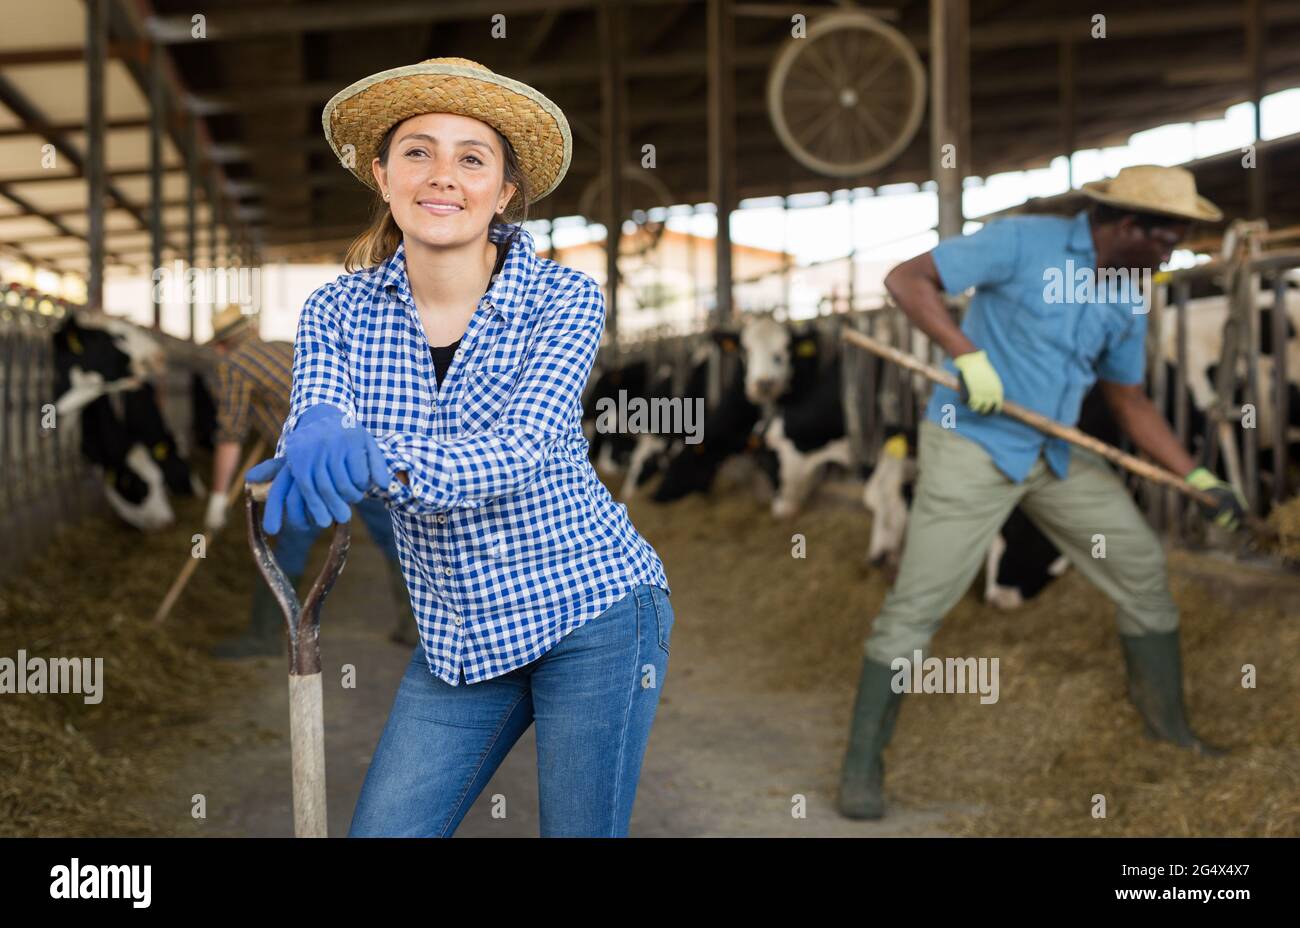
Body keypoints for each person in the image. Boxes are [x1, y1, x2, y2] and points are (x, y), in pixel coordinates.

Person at [246, 57, 675, 837]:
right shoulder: (335, 310)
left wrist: (377, 455)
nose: (443, 176)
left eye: (471, 158)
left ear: (503, 192)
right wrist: (311, 432)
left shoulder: (562, 297)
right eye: (418, 151)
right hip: (460, 636)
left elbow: (523, 449)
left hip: (593, 613)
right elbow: (318, 409)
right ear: (382, 175)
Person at [838, 165, 1247, 820]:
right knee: (919, 603)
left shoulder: (1129, 291)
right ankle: (861, 767)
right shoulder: (1023, 242)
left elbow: (1130, 399)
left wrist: (1196, 478)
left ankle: (1169, 733)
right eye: (1169, 236)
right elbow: (905, 279)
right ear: (1127, 223)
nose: (1175, 249)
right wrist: (966, 354)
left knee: (1141, 566)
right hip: (972, 441)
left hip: (1053, 451)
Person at [204, 302, 418, 657]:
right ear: (250, 331)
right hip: (361, 449)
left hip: (313, 461)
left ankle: (264, 635)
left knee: (291, 540)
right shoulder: (285, 348)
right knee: (393, 535)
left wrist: (216, 496)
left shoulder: (233, 366)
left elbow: (230, 436)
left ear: (221, 345)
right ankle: (419, 628)